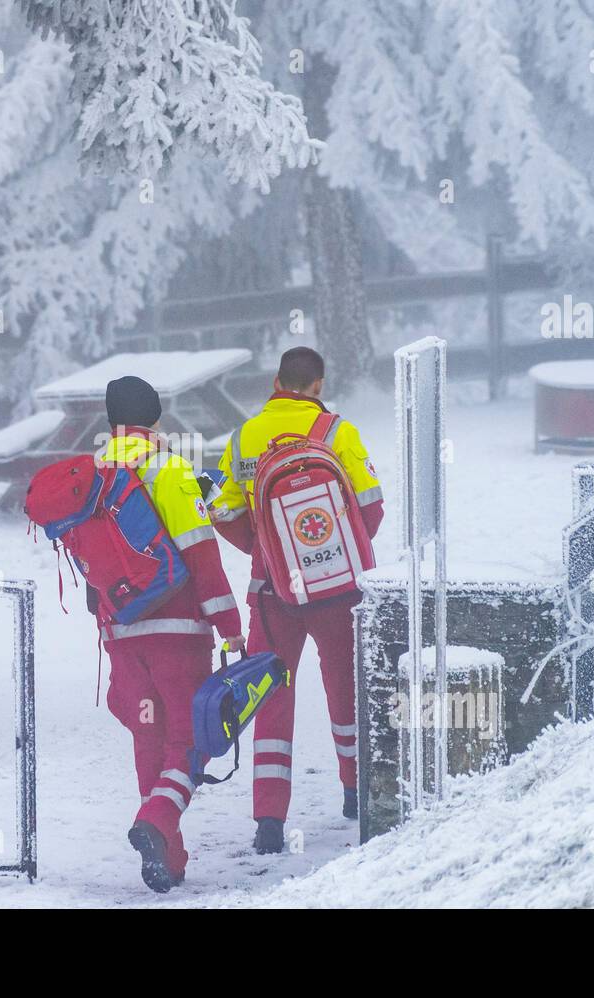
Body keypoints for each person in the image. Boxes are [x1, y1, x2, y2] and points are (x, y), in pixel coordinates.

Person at [210, 347, 384, 855]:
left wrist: (268, 548)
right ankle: (355, 791)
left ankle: (268, 820)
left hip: (270, 594)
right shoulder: (338, 432)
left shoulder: (243, 437)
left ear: (276, 381)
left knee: (270, 696)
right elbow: (371, 508)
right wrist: (333, 553)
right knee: (345, 689)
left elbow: (219, 509)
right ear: (318, 385)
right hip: (338, 591)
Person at [94, 375, 246, 892]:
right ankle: (156, 821)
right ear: (155, 418)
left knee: (148, 739)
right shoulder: (168, 467)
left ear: (110, 420)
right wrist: (229, 624)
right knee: (189, 742)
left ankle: (167, 861)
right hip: (178, 631)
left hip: (120, 629)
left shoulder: (90, 475)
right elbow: (202, 554)